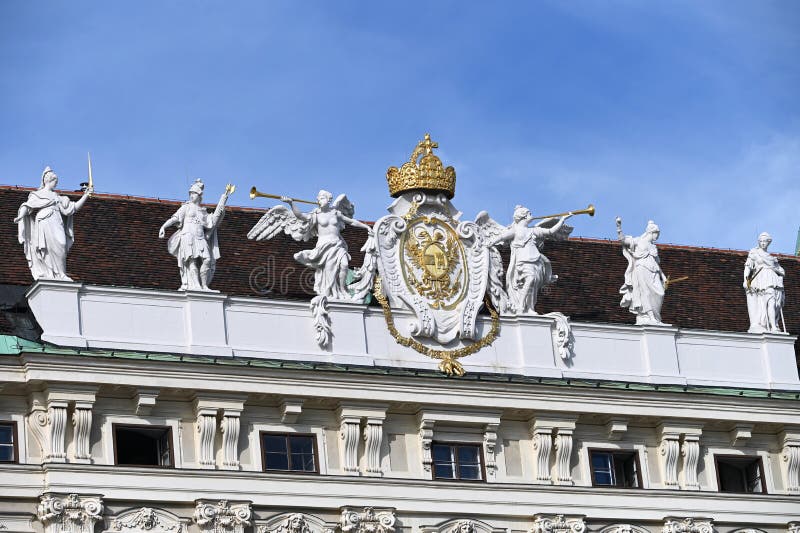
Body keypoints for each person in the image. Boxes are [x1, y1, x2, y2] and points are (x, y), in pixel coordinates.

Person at [281, 190, 373, 300]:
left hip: (338, 245)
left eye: (322, 198)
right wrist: (291, 203)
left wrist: (366, 227)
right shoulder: (316, 214)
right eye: (318, 199)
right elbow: (301, 216)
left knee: (344, 265)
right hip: (324, 247)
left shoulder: (335, 213)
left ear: (328, 200)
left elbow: (351, 222)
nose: (319, 201)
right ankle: (330, 291)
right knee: (330, 271)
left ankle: (342, 289)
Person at [15, 167, 92, 281]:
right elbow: (27, 206)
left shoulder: (58, 197)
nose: (56, 185)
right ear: (48, 180)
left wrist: (86, 195)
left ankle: (61, 274)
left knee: (61, 244)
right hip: (44, 222)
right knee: (46, 248)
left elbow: (73, 208)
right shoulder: (37, 195)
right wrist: (20, 216)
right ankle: (49, 273)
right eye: (55, 182)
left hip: (57, 221)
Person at [491, 205, 572, 315]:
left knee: (534, 283)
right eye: (529, 214)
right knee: (530, 279)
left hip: (536, 260)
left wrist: (562, 220)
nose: (532, 216)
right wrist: (489, 243)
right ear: (523, 217)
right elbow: (501, 237)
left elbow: (550, 231)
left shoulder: (534, 230)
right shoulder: (515, 231)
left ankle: (529, 308)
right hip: (523, 261)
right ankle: (520, 305)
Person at [159, 179, 232, 291]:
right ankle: (196, 285)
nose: (191, 195)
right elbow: (175, 218)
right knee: (191, 260)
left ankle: (204, 286)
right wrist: (164, 226)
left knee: (207, 259)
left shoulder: (203, 211)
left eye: (194, 193)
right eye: (190, 193)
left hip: (200, 237)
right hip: (187, 236)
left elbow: (213, 221)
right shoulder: (186, 207)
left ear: (199, 195)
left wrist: (224, 198)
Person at [616, 218, 667, 325]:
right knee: (645, 293)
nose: (657, 236)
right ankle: (651, 317)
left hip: (653, 271)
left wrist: (663, 276)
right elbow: (623, 240)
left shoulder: (653, 246)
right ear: (651, 232)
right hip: (642, 269)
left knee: (660, 293)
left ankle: (656, 318)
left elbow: (656, 264)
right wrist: (619, 227)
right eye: (656, 233)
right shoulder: (638, 241)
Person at [743, 232, 785, 333]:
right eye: (760, 241)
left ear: (768, 242)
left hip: (772, 279)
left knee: (774, 303)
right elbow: (748, 267)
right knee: (769, 301)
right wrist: (745, 280)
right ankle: (771, 326)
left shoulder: (772, 258)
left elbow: (782, 272)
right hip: (761, 280)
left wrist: (774, 268)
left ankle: (773, 325)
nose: (762, 243)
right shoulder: (754, 253)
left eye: (765, 241)